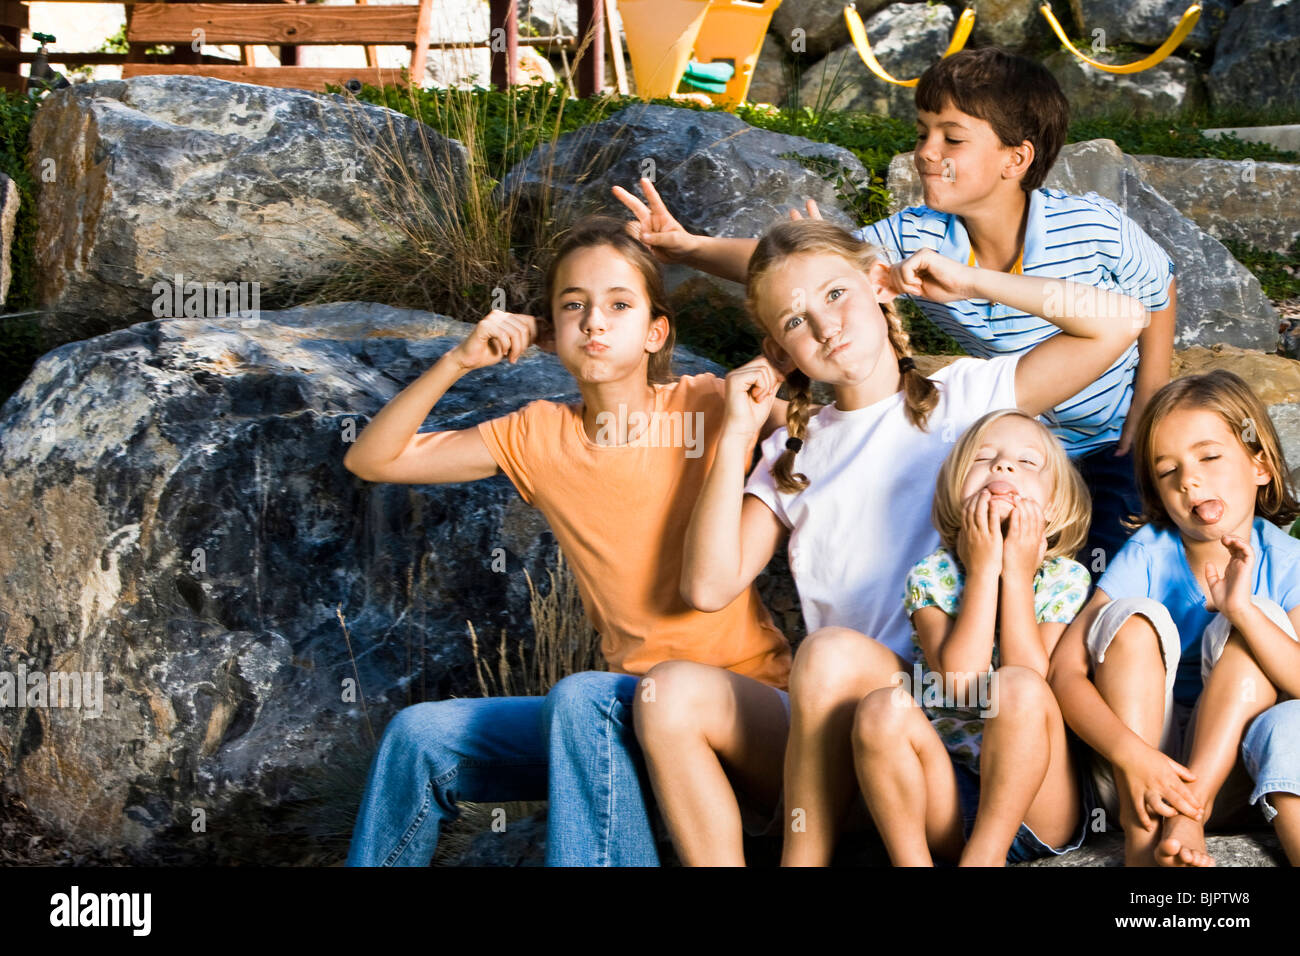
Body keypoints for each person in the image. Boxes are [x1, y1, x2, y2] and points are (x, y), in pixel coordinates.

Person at [631, 218, 1146, 865]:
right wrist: (735, 436)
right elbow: (706, 585)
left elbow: (1122, 321)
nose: (824, 326)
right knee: (667, 693)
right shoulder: (793, 452)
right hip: (846, 734)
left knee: (827, 655)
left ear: (879, 282)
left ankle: (804, 858)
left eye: (836, 295)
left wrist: (970, 282)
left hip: (959, 710)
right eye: (795, 321)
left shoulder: (967, 399)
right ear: (780, 347)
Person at [613, 47, 1177, 576]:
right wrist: (688, 246)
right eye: (923, 132)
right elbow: (807, 270)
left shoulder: (1092, 226)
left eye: (952, 138)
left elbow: (1158, 290)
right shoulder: (918, 234)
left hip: (1108, 438)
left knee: (1110, 562)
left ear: (1017, 157)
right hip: (1006, 442)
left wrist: (1148, 403)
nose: (926, 151)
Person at [343, 217, 792, 866]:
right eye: (574, 306)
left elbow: (824, 430)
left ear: (655, 332)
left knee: (581, 696)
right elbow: (374, 460)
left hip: (747, 708)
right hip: (621, 714)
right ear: (553, 332)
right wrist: (457, 361)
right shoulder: (537, 435)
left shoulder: (709, 404)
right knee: (419, 737)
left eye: (619, 304)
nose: (595, 323)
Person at [1049, 370, 1300, 866]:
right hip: (1135, 774)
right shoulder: (1146, 553)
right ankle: (1145, 844)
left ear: (1261, 466)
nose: (1189, 479)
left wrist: (1241, 612)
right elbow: (1063, 670)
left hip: (1230, 779)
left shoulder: (1287, 559)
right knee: (1132, 617)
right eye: (1168, 472)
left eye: (1209, 457)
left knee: (1259, 616)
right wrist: (1133, 756)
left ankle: (1191, 812)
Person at [855, 409, 1092, 865]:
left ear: (1056, 505)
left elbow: (1029, 674)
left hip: (1036, 806)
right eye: (985, 458)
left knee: (1017, 685)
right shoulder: (932, 575)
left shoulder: (1065, 577)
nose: (1003, 467)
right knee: (881, 706)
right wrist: (984, 570)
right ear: (953, 491)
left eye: (1028, 463)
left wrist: (1017, 576)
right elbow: (962, 684)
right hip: (952, 805)